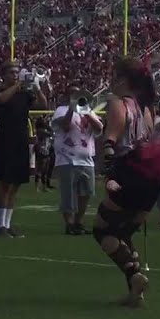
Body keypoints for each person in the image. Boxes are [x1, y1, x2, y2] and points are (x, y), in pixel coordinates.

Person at [94, 56, 160, 307]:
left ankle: (134, 275)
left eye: (114, 76)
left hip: (128, 171)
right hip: (150, 175)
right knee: (125, 233)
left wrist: (109, 177)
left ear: (123, 80)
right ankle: (135, 294)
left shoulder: (118, 104)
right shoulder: (146, 108)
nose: (111, 81)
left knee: (103, 229)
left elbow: (110, 144)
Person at [0, 61, 47, 237]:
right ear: (4, 75)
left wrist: (37, 87)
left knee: (15, 185)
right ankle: (0, 226)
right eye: (11, 72)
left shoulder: (24, 93)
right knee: (5, 184)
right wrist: (17, 85)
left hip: (21, 141)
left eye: (17, 72)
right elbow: (0, 100)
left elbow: (43, 105)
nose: (15, 75)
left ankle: (7, 225)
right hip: (6, 141)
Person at [52, 92, 102, 235]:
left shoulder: (89, 111)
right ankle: (70, 224)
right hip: (67, 158)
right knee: (68, 194)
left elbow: (99, 128)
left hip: (87, 159)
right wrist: (72, 109)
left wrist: (86, 112)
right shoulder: (61, 110)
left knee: (86, 193)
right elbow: (65, 126)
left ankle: (79, 222)